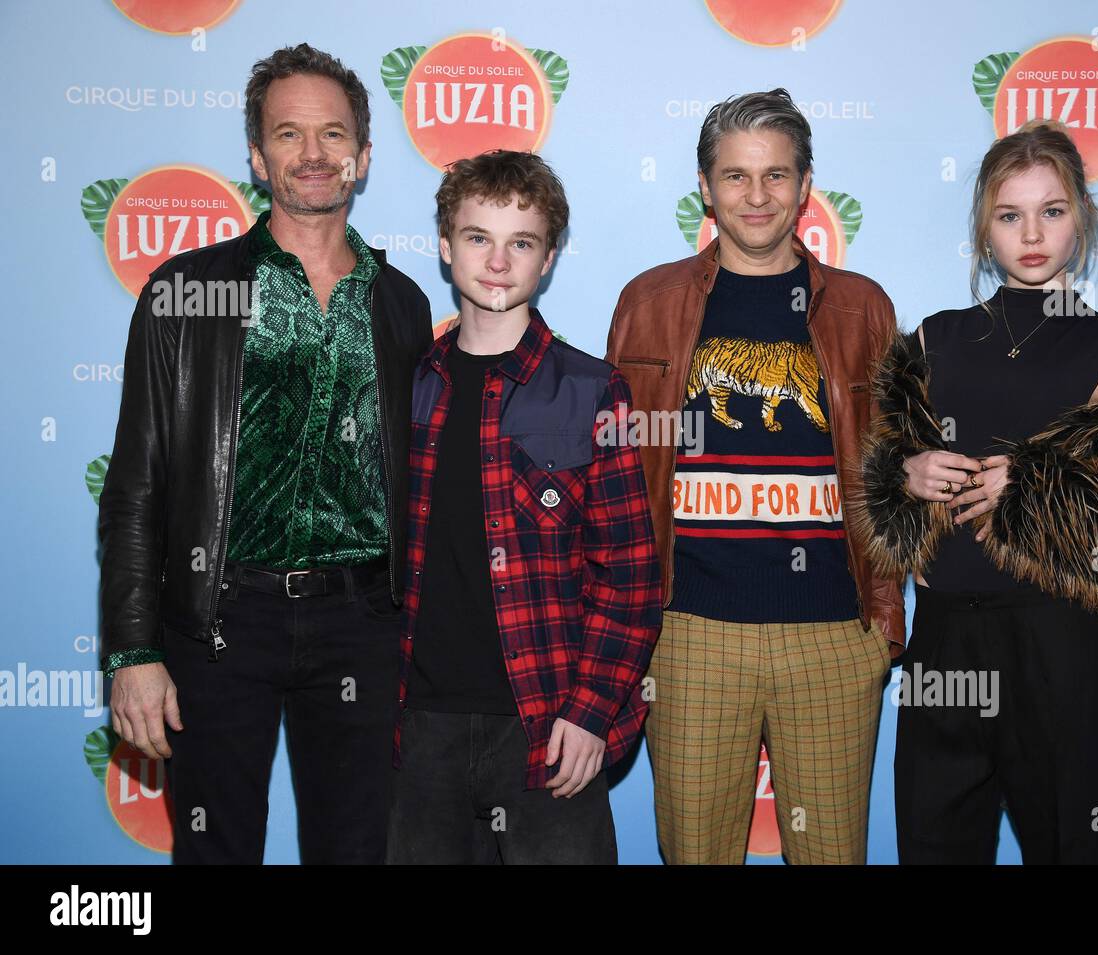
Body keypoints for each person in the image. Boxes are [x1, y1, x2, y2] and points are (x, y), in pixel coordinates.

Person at [851, 118, 1098, 864]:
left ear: (1081, 218)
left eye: (1051, 210)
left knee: (1073, 849)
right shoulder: (935, 337)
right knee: (933, 846)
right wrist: (905, 476)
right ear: (984, 228)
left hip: (1056, 642)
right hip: (944, 640)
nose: (1032, 232)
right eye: (1010, 214)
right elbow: (880, 480)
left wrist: (1031, 486)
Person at [99, 43, 433, 864]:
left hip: (365, 620)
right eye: (288, 134)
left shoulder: (403, 302)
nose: (312, 154)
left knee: (358, 849)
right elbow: (137, 482)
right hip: (221, 617)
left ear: (362, 155)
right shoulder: (186, 291)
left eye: (332, 134)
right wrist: (134, 650)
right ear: (256, 154)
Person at [605, 89, 904, 864]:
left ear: (807, 185)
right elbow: (613, 475)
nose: (757, 195)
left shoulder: (864, 307)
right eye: (735, 176)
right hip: (689, 636)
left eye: (776, 175)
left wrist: (880, 628)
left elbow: (896, 467)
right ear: (704, 187)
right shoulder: (649, 302)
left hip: (835, 638)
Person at [386, 149, 662, 865]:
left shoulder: (593, 391)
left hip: (550, 725)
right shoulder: (407, 387)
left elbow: (631, 574)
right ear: (446, 248)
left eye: (522, 242)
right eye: (479, 237)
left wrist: (594, 707)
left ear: (548, 259)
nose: (498, 261)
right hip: (420, 728)